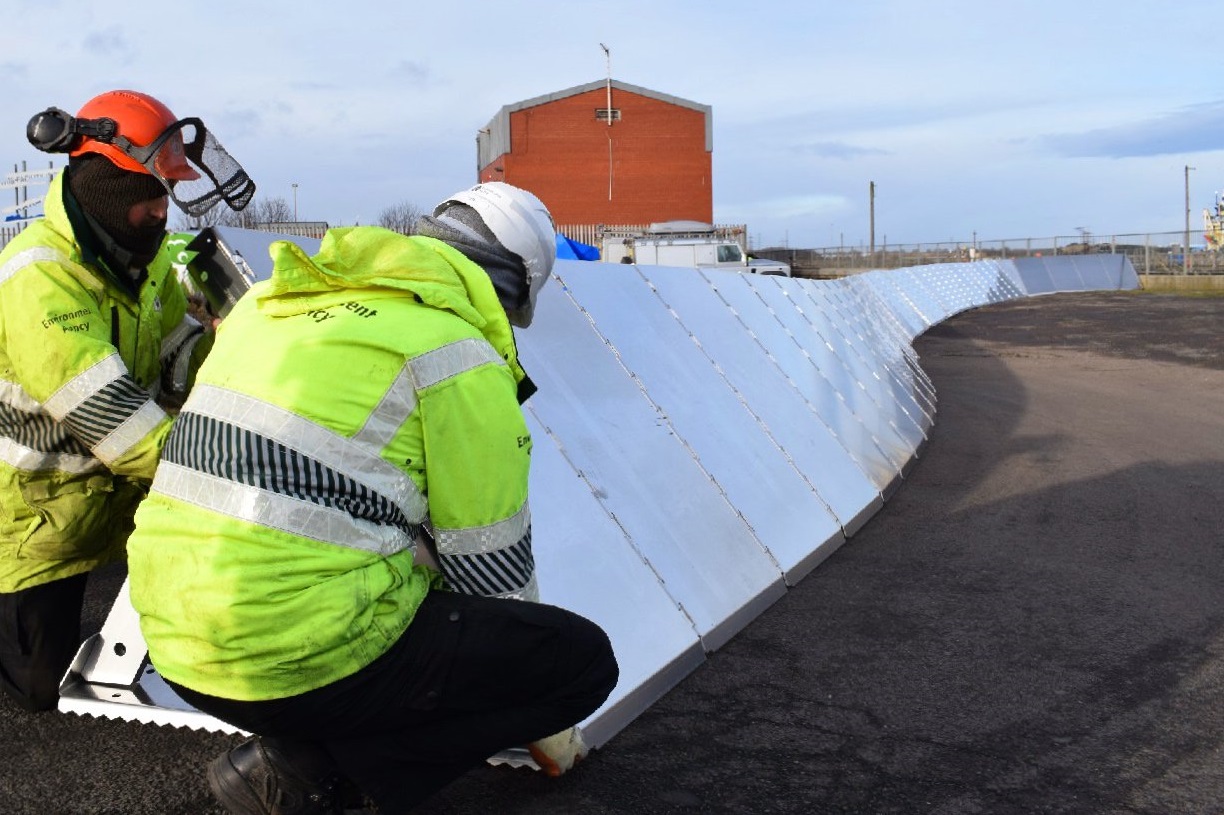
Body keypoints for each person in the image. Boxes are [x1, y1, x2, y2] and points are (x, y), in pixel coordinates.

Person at [125, 181, 619, 814]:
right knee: (581, 663)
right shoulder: (456, 355)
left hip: (172, 641)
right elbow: (492, 578)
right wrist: (546, 725)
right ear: (512, 287)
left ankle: (313, 732)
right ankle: (310, 771)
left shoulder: (268, 307)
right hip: (286, 657)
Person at [0, 89, 254, 712]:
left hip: (106, 504)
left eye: (166, 196)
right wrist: (240, 478)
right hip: (34, 520)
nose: (161, 214)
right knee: (42, 691)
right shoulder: (40, 277)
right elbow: (113, 419)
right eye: (151, 196)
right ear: (106, 186)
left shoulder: (140, 270)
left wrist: (246, 349)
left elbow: (184, 362)